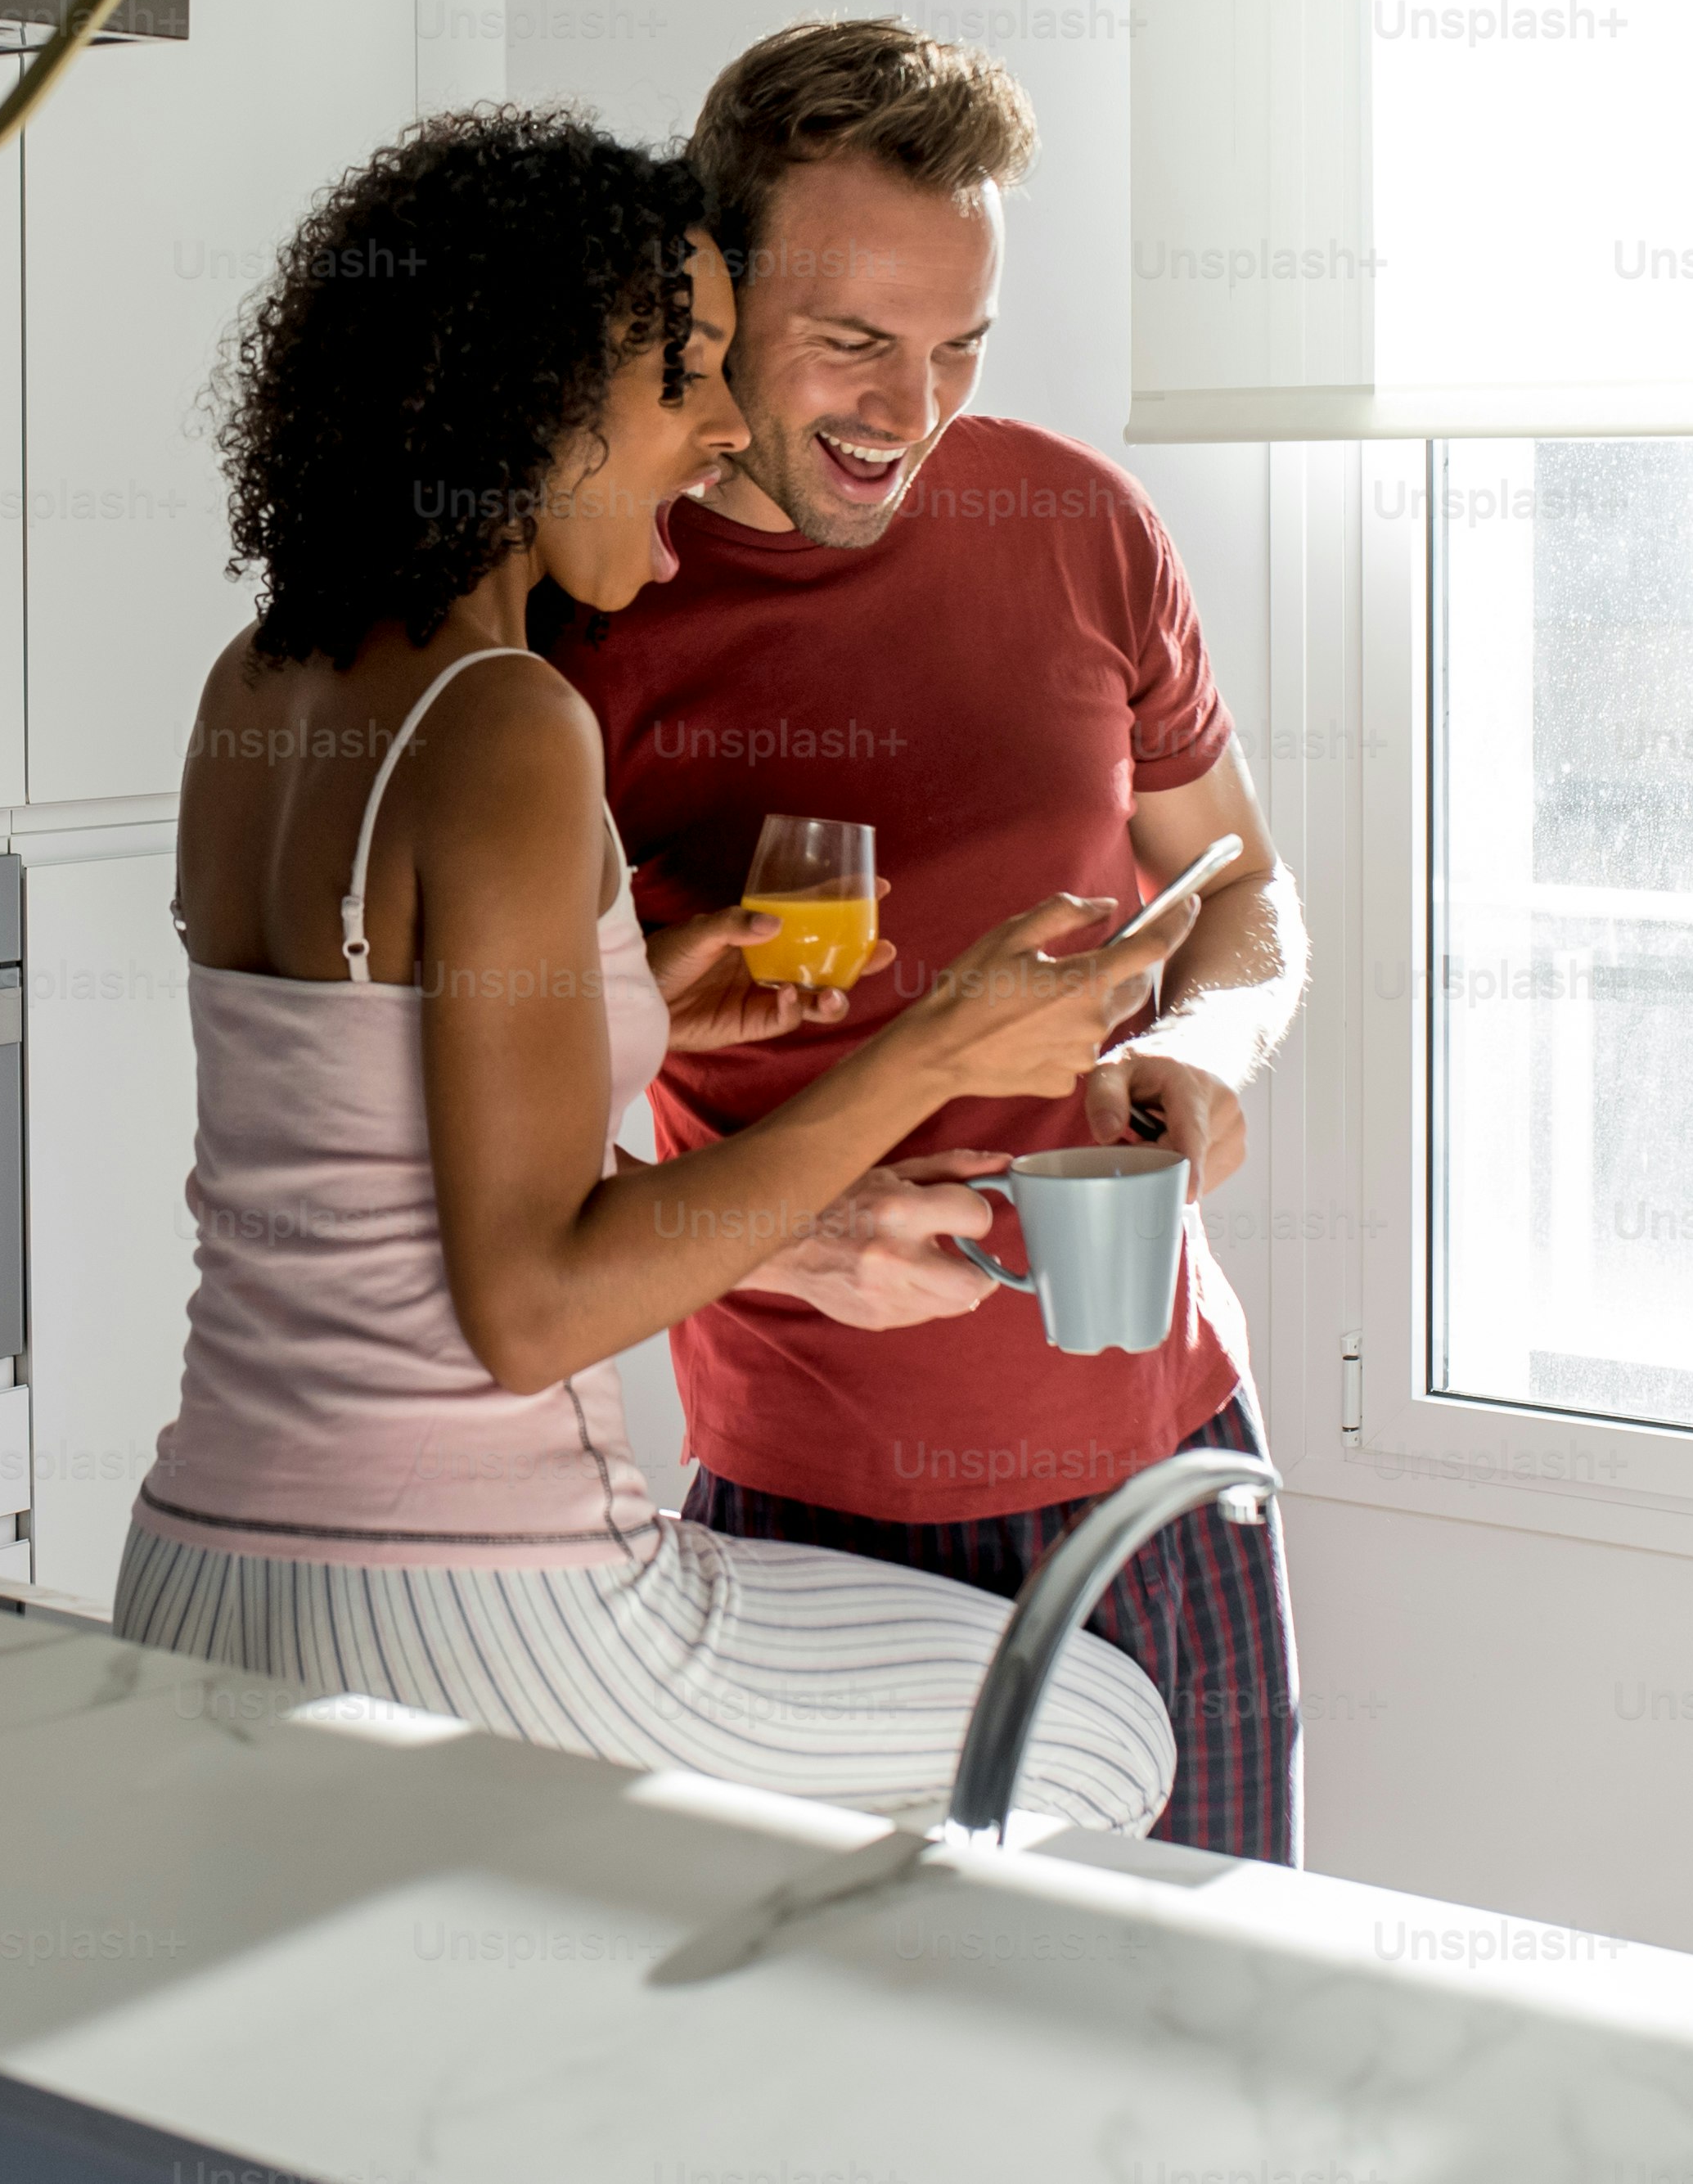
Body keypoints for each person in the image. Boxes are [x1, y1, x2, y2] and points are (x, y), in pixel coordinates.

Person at [115, 105, 1206, 1835]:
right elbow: (531, 1305)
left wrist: (640, 998)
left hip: (199, 1567)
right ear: (532, 392)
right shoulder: (510, 719)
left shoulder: (259, 679)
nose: (720, 427)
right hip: (481, 1589)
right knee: (1103, 1726)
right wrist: (931, 1051)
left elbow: (355, 1128)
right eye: (682, 373)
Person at [545, 20, 1315, 1862]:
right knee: (873, 2026)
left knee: (1230, 2004)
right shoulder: (592, 616)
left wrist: (1200, 1054)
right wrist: (793, 1239)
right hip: (818, 1512)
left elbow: (1243, 888)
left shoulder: (1079, 523)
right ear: (715, 299)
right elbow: (485, 1163)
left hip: (1174, 1458)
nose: (913, 408)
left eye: (962, 343)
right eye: (854, 341)